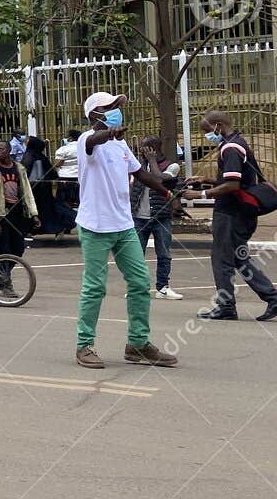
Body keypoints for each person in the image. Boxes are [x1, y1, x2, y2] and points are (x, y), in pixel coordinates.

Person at [71, 92, 177, 369]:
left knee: (141, 283)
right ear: (95, 114)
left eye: (118, 107)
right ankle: (85, 345)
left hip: (124, 225)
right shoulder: (86, 140)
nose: (118, 110)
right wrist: (107, 133)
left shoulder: (121, 146)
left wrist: (167, 192)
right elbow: (94, 141)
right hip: (95, 226)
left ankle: (138, 344)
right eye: (112, 107)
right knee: (95, 288)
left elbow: (141, 174)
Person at [183, 109, 277, 321]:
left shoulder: (231, 149)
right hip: (240, 212)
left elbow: (233, 185)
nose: (208, 136)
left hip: (230, 213)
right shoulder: (238, 143)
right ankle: (271, 297)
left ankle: (227, 306)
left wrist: (201, 193)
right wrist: (206, 180)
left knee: (221, 259)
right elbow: (237, 181)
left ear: (217, 125)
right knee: (238, 258)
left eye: (208, 131)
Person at [130, 135, 182, 301]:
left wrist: (152, 162)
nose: (141, 151)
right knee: (137, 254)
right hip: (139, 217)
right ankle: (137, 287)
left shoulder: (172, 166)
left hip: (161, 217)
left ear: (154, 149)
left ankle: (163, 287)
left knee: (164, 254)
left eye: (144, 148)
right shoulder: (139, 166)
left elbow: (159, 179)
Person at [0, 141, 39, 277]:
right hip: (1, 215)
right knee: (3, 250)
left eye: (0, 149)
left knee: (18, 249)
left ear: (9, 150)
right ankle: (5, 280)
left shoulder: (19, 168)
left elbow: (27, 192)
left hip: (18, 214)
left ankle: (2, 275)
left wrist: (34, 214)